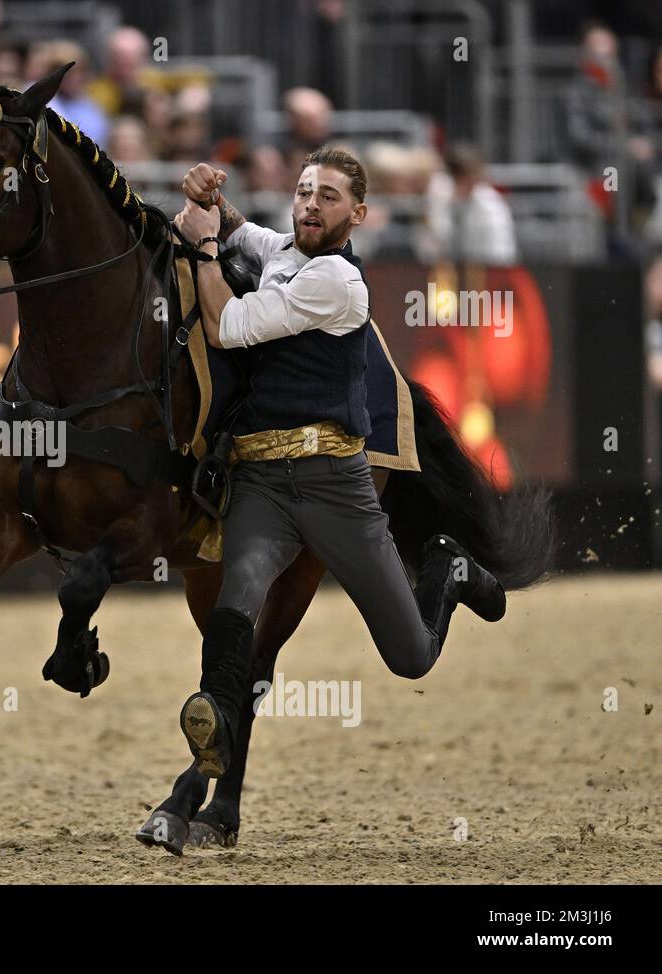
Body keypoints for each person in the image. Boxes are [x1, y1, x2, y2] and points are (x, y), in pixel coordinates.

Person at [169, 147, 507, 776]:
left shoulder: (337, 281)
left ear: (358, 215)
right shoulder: (288, 255)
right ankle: (213, 715)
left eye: (328, 196)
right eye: (303, 191)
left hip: (337, 486)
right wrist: (211, 198)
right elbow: (249, 233)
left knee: (410, 655)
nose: (309, 204)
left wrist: (208, 246)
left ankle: (448, 568)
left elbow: (228, 326)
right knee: (238, 589)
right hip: (264, 479)